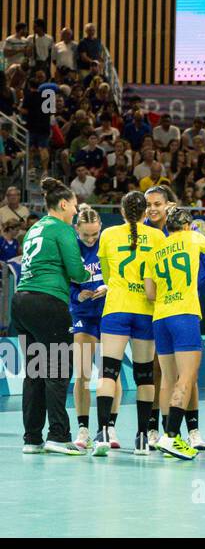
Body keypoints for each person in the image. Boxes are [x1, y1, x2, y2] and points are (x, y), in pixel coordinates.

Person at [13, 178, 91, 455]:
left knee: (34, 373)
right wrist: (91, 277)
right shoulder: (62, 228)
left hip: (22, 302)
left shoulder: (35, 227)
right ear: (62, 204)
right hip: (48, 304)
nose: (76, 211)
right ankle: (59, 435)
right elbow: (76, 272)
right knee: (57, 371)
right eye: (74, 205)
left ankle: (32, 438)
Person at [94, 191, 165, 456]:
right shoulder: (158, 237)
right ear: (145, 212)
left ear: (122, 212)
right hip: (146, 310)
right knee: (145, 375)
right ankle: (143, 437)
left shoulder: (108, 235)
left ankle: (101, 433)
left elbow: (107, 274)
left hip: (116, 309)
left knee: (108, 373)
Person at [146, 207, 205, 460]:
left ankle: (167, 433)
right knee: (187, 377)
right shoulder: (193, 237)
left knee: (166, 378)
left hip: (160, 317)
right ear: (187, 226)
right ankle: (172, 436)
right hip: (184, 314)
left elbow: (150, 293)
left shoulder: (155, 251)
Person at [69, 205, 114, 452]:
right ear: (77, 229)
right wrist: (79, 296)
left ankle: (108, 428)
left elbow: (117, 275)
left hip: (108, 313)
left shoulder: (106, 243)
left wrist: (107, 287)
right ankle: (83, 429)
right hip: (83, 314)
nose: (90, 239)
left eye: (94, 234)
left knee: (109, 373)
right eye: (85, 235)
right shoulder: (71, 248)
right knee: (83, 373)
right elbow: (65, 282)